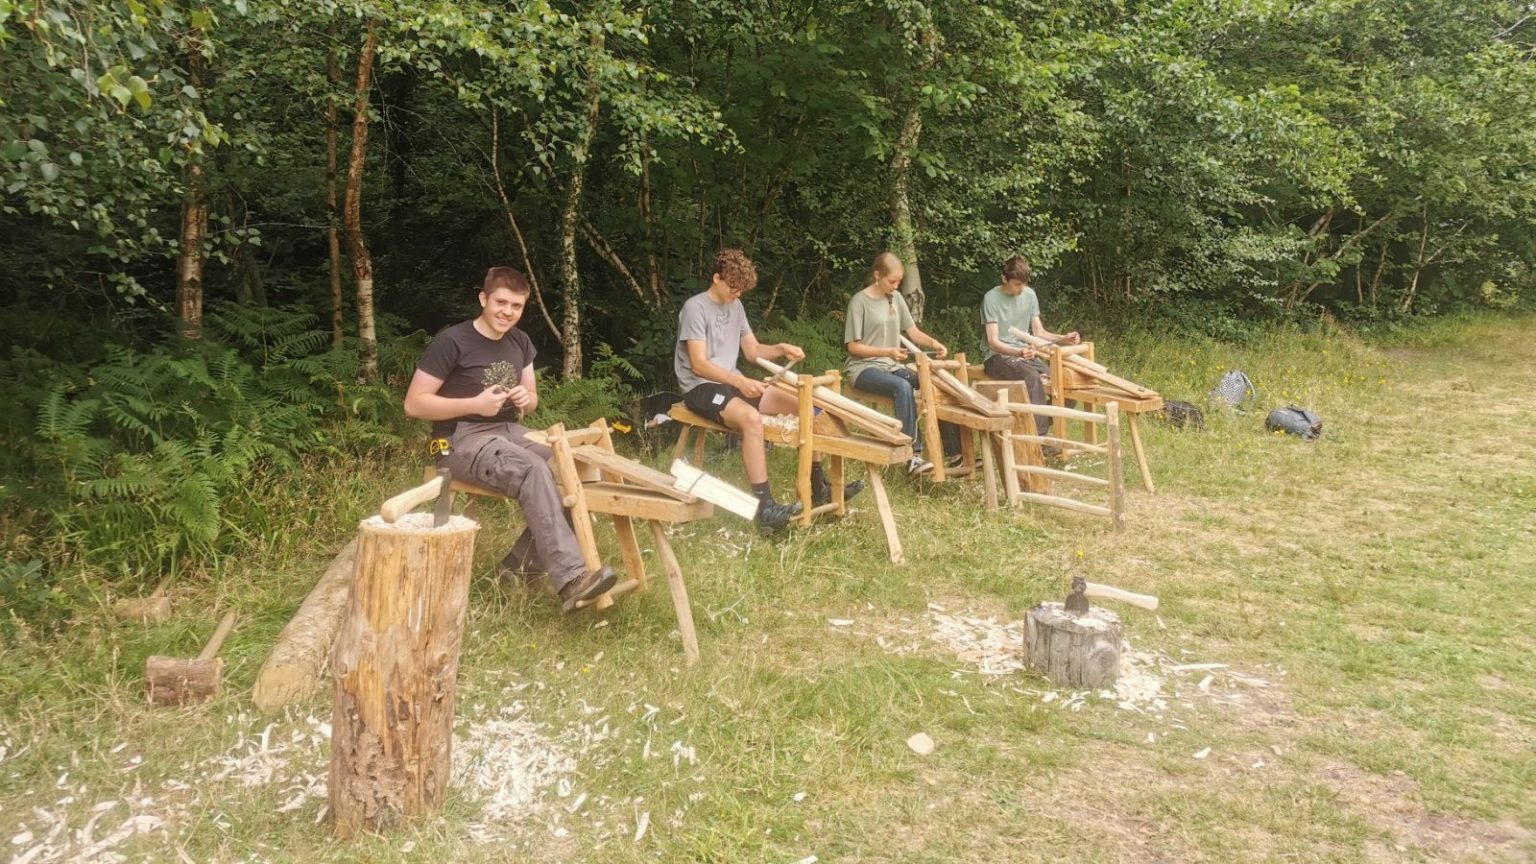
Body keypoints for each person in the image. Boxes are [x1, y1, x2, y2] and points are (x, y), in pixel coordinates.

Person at [404, 266, 616, 613]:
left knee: (573, 467)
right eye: (501, 303)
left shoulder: (520, 342)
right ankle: (572, 581)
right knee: (533, 469)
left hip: (508, 432)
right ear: (483, 299)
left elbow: (531, 400)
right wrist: (475, 404)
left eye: (516, 306)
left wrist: (523, 398)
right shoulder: (451, 342)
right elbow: (413, 404)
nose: (507, 312)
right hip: (459, 439)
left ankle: (516, 568)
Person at [676, 249, 862, 529]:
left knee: (803, 403)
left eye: (741, 290)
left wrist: (779, 348)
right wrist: (739, 382)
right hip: (701, 387)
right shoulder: (695, 307)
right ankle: (765, 509)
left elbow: (752, 351)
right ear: (716, 278)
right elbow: (699, 365)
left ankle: (818, 487)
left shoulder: (735, 307)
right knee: (751, 420)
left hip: (731, 382)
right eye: (733, 288)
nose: (736, 294)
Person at [843, 252, 960, 476]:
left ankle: (955, 453)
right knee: (902, 387)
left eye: (899, 282)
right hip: (863, 368)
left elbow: (913, 331)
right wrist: (888, 350)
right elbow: (853, 347)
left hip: (890, 365)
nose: (896, 286)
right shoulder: (859, 302)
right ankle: (913, 456)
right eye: (892, 281)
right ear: (877, 275)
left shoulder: (895, 298)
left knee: (933, 383)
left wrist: (935, 343)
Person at [978, 254, 1080, 436]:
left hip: (1024, 354)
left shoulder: (1030, 295)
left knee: (1062, 381)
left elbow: (1039, 332)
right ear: (1004, 279)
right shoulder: (991, 298)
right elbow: (993, 342)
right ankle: (1040, 440)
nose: (1021, 288)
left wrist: (1063, 338)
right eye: (1017, 284)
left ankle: (1034, 424)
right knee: (1032, 378)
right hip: (997, 357)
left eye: (1024, 284)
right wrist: (1018, 352)